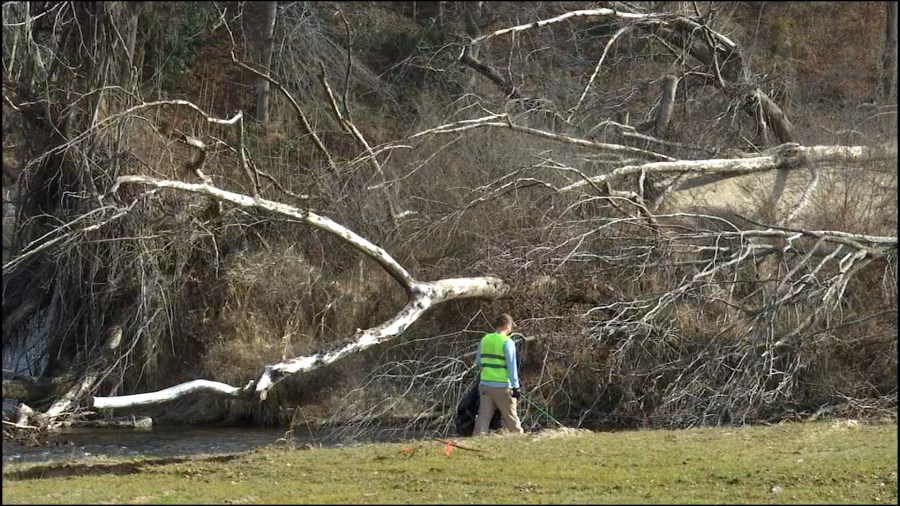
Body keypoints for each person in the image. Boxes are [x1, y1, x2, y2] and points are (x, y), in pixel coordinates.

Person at [473, 313, 524, 435]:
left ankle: (478, 440)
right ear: (507, 325)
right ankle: (521, 439)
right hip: (502, 386)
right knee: (512, 419)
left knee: (483, 418)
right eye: (511, 325)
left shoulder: (485, 339)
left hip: (485, 384)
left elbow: (478, 362)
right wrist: (516, 387)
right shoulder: (507, 342)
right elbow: (512, 367)